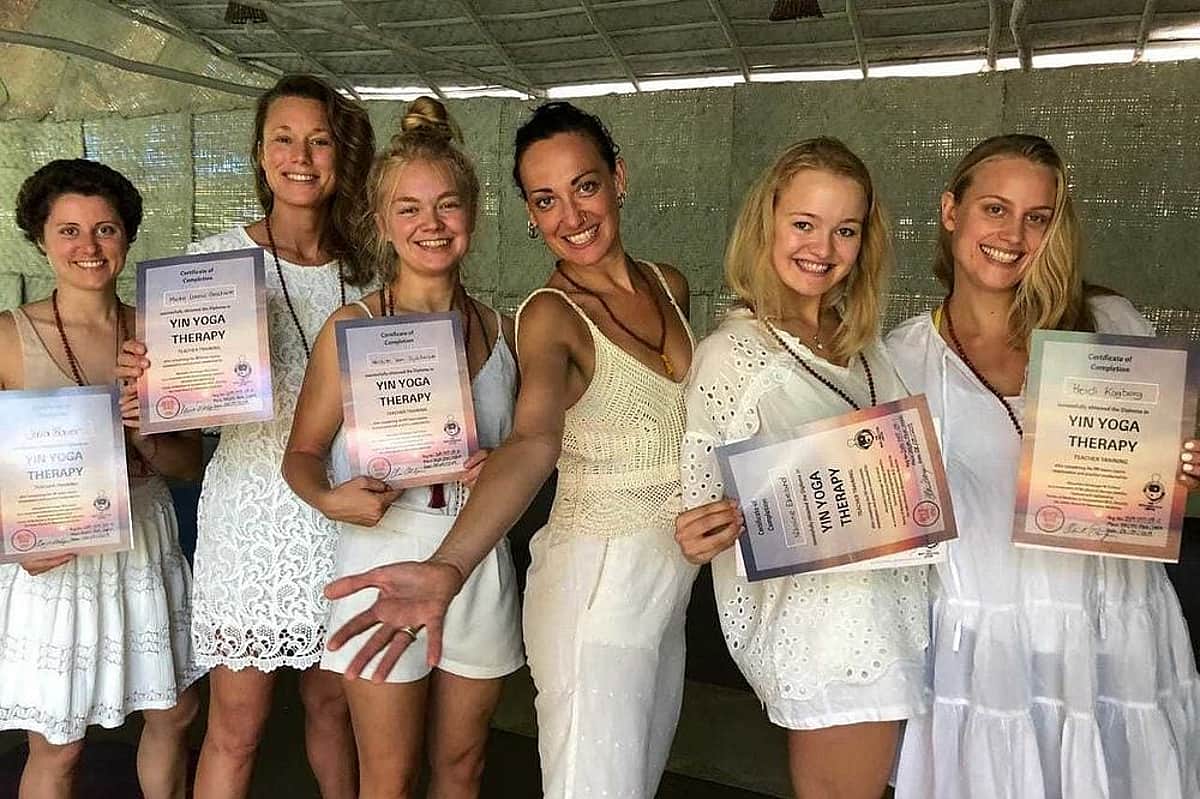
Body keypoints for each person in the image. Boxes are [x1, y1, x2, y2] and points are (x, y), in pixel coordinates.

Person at [323, 101, 733, 797]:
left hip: (666, 585)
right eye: (546, 200)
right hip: (594, 588)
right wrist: (449, 565)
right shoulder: (547, 316)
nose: (570, 215)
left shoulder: (671, 284)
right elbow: (534, 437)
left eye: (584, 185)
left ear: (619, 178)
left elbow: (688, 428)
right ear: (529, 215)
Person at [885, 133, 1200, 799]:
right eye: (994, 209)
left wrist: (1176, 466)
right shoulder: (900, 359)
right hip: (982, 654)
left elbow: (1154, 473)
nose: (1013, 234)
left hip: (1106, 630)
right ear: (951, 212)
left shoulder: (1110, 324)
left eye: (1038, 216)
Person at [118, 74, 375, 799]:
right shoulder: (210, 265)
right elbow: (180, 422)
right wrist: (150, 379)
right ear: (260, 155)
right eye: (284, 139)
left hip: (343, 507)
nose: (302, 155)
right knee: (237, 722)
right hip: (252, 516)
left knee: (334, 704)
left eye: (319, 139)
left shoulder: (369, 268)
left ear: (338, 155)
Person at [672, 138, 930, 798]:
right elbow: (699, 508)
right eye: (804, 224)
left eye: (845, 229)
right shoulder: (733, 354)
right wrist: (704, 528)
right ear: (769, 221)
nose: (823, 247)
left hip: (893, 617)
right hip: (826, 636)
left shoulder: (871, 346)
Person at [281, 96, 523, 798]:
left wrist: (496, 465)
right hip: (383, 552)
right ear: (382, 223)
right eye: (410, 209)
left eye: (447, 206)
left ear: (472, 217)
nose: (432, 225)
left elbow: (537, 448)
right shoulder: (349, 327)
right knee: (387, 774)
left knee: (462, 766)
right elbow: (300, 454)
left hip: (477, 555)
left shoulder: (506, 331)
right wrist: (330, 496)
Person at [0, 158, 202, 799]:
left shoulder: (159, 332)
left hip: (142, 539)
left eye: (106, 230)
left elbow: (189, 465)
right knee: (58, 742)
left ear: (128, 237)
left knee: (174, 714)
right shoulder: (8, 336)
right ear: (40, 237)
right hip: (53, 559)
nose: (88, 246)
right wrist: (15, 538)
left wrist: (147, 431)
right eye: (69, 230)